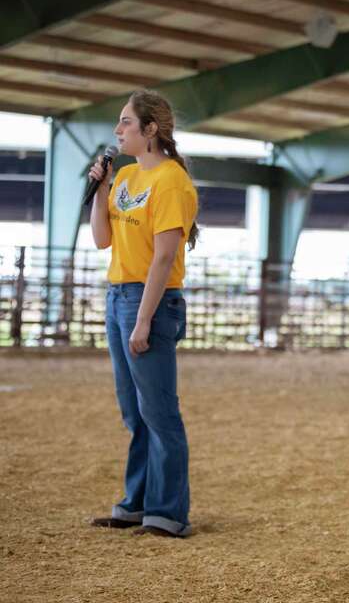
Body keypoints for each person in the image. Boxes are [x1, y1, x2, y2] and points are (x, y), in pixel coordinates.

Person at [87, 89, 199, 537]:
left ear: (150, 129)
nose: (118, 130)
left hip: (149, 298)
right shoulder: (129, 177)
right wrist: (101, 190)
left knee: (159, 411)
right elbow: (101, 239)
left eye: (126, 123)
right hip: (118, 295)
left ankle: (168, 513)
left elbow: (163, 257)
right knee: (134, 412)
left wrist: (144, 319)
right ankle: (136, 503)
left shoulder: (171, 181)